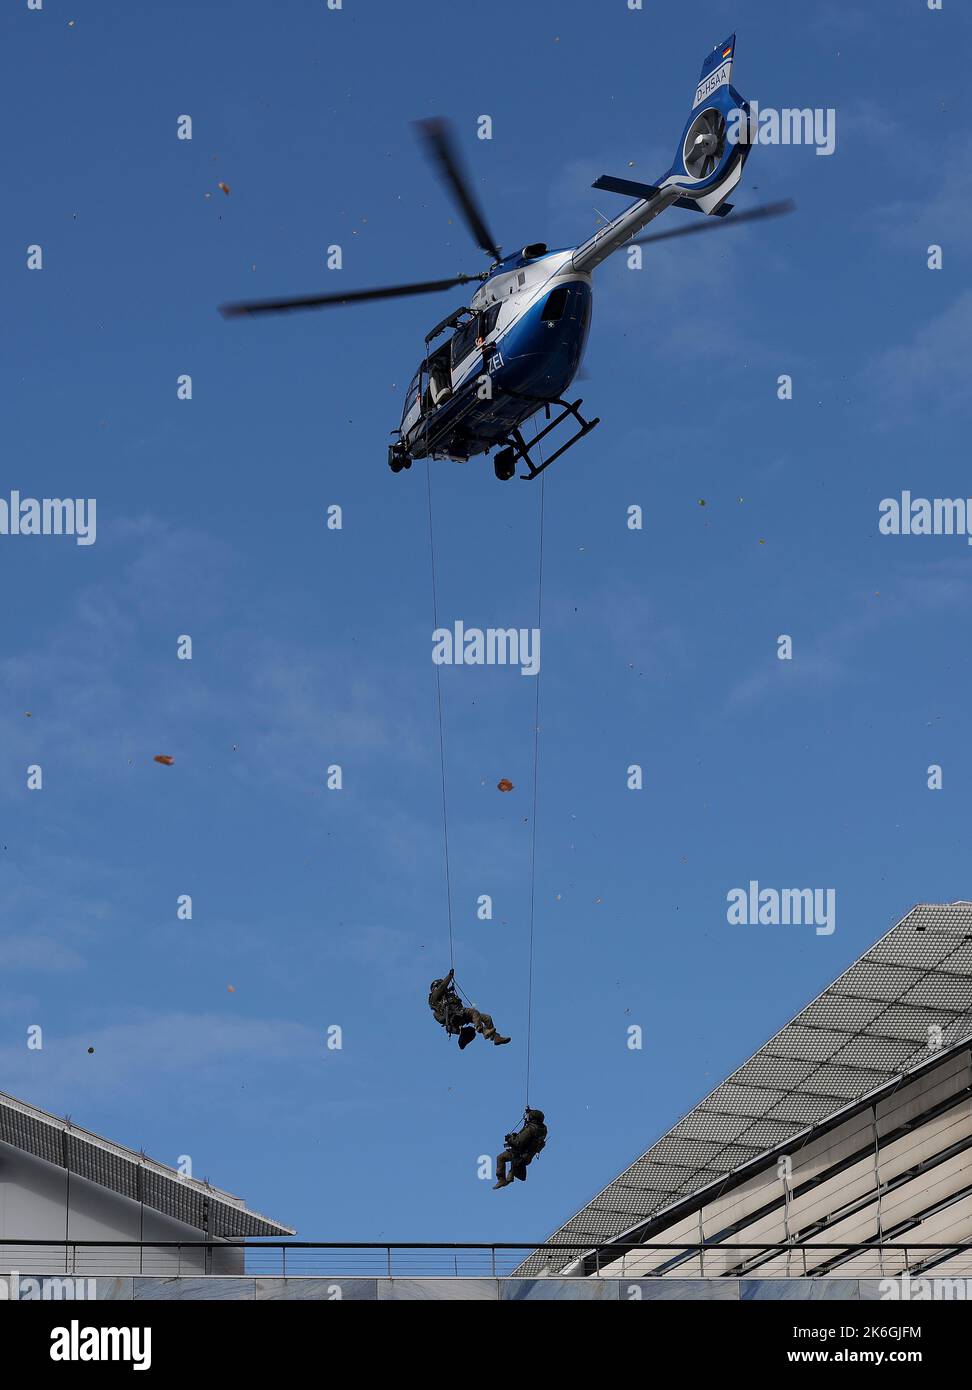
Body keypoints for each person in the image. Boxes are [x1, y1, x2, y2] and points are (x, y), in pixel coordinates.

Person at [428, 969, 510, 1049]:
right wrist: (450, 976)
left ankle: (496, 1038)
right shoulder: (434, 998)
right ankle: (482, 1030)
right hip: (455, 1016)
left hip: (460, 1014)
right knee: (474, 1012)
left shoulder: (446, 996)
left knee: (487, 1018)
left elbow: (443, 989)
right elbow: (442, 987)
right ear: (436, 987)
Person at [494, 1108, 547, 1188]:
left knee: (500, 1158)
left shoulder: (530, 1129)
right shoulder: (543, 1129)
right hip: (528, 1156)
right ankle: (511, 1174)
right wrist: (529, 1112)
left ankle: (502, 1180)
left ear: (533, 1119)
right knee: (513, 1161)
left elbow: (518, 1143)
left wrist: (510, 1138)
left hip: (520, 1154)